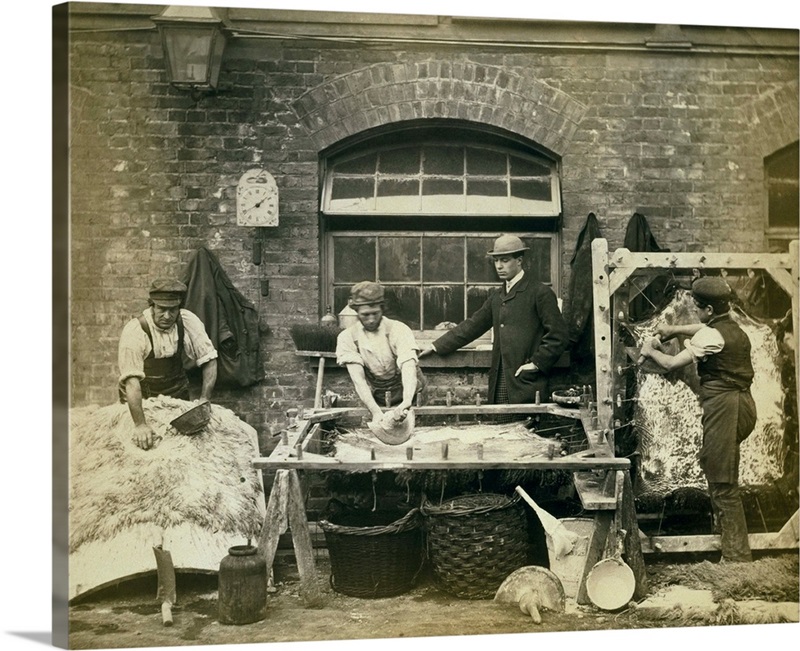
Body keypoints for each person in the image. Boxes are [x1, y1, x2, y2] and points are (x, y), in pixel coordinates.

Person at [639, 276, 756, 563]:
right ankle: (732, 549)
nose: (696, 314)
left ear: (708, 310)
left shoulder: (711, 336)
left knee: (722, 480)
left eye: (698, 308)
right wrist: (671, 330)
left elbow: (669, 365)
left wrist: (649, 348)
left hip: (728, 406)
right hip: (737, 403)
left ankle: (737, 558)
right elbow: (703, 329)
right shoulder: (729, 327)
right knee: (715, 467)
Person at [419, 234, 569, 408]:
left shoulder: (539, 293)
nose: (499, 266)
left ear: (519, 260)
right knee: (498, 429)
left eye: (504, 260)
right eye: (496, 261)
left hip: (526, 382)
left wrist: (536, 364)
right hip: (500, 379)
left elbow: (559, 335)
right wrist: (436, 346)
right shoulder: (497, 297)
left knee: (525, 432)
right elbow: (473, 326)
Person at [118, 278, 219, 450]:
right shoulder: (135, 331)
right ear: (152, 306)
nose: (167, 316)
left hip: (176, 392)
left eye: (172, 310)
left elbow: (209, 360)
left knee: (182, 447)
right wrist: (140, 424)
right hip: (142, 398)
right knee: (143, 449)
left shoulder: (187, 321)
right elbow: (131, 382)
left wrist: (204, 399)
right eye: (162, 309)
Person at [335, 281, 426, 428]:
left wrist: (407, 400)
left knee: (416, 437)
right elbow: (359, 380)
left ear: (382, 309)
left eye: (375, 313)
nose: (371, 319)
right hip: (376, 396)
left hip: (411, 393)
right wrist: (375, 412)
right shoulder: (347, 338)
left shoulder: (398, 330)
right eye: (365, 315)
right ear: (356, 312)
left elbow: (408, 367)